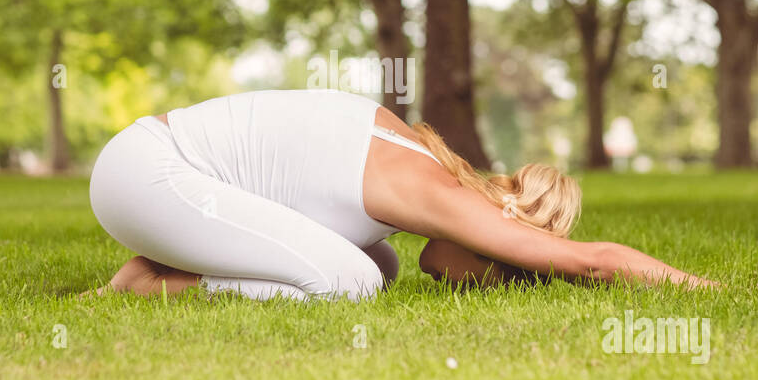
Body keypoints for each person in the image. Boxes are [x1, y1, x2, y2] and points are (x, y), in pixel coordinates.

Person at [87, 89, 717, 300]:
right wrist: (710, 289)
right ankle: (146, 286)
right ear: (505, 218)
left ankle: (157, 264)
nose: (482, 280)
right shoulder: (446, 195)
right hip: (148, 176)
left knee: (378, 263)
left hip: (154, 174)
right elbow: (595, 259)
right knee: (350, 281)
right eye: (507, 266)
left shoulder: (423, 159)